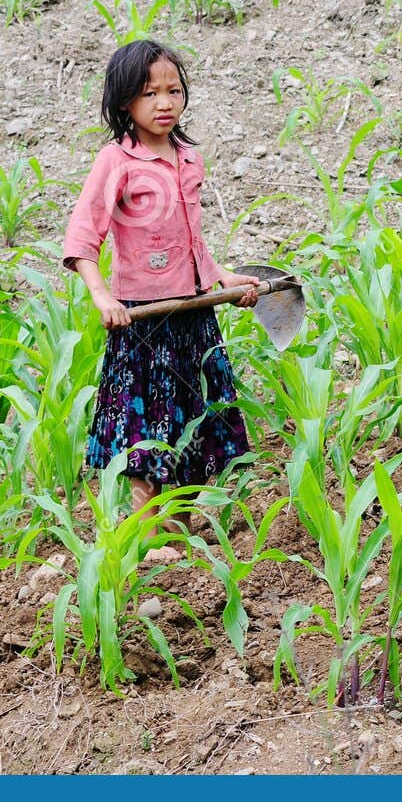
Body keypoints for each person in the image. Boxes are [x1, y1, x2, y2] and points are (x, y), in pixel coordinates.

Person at [62, 39, 262, 558]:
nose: (164, 103)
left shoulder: (188, 159)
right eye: (149, 93)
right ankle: (149, 537)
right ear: (125, 101)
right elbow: (83, 237)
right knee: (146, 432)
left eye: (173, 91)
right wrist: (102, 295)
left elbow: (193, 240)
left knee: (193, 424)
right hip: (143, 323)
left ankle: (180, 527)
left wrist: (224, 280)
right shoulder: (117, 161)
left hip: (193, 316)